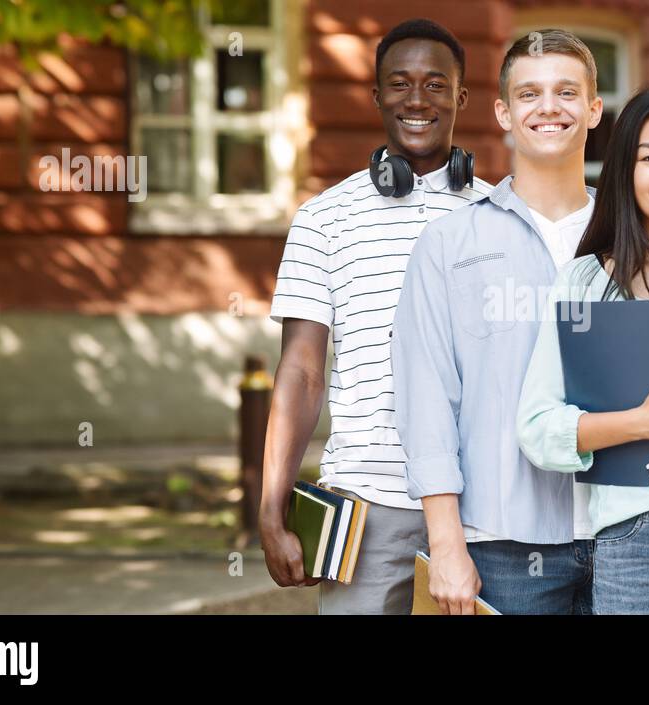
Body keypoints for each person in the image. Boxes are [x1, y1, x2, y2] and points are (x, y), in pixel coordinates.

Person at [259, 18, 492, 614]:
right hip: (367, 507)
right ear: (377, 95)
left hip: (487, 508)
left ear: (462, 98)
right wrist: (270, 503)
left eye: (436, 85)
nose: (417, 100)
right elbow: (303, 372)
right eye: (400, 84)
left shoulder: (499, 214)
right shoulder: (323, 219)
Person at [391, 29, 604, 615]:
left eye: (566, 92)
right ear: (504, 114)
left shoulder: (628, 238)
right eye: (529, 94)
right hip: (501, 546)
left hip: (625, 535)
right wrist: (446, 543)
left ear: (593, 108)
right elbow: (427, 397)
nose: (549, 108)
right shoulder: (449, 243)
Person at [517, 87, 649, 614]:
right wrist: (642, 422)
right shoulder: (587, 283)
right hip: (631, 540)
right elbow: (538, 428)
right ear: (624, 173)